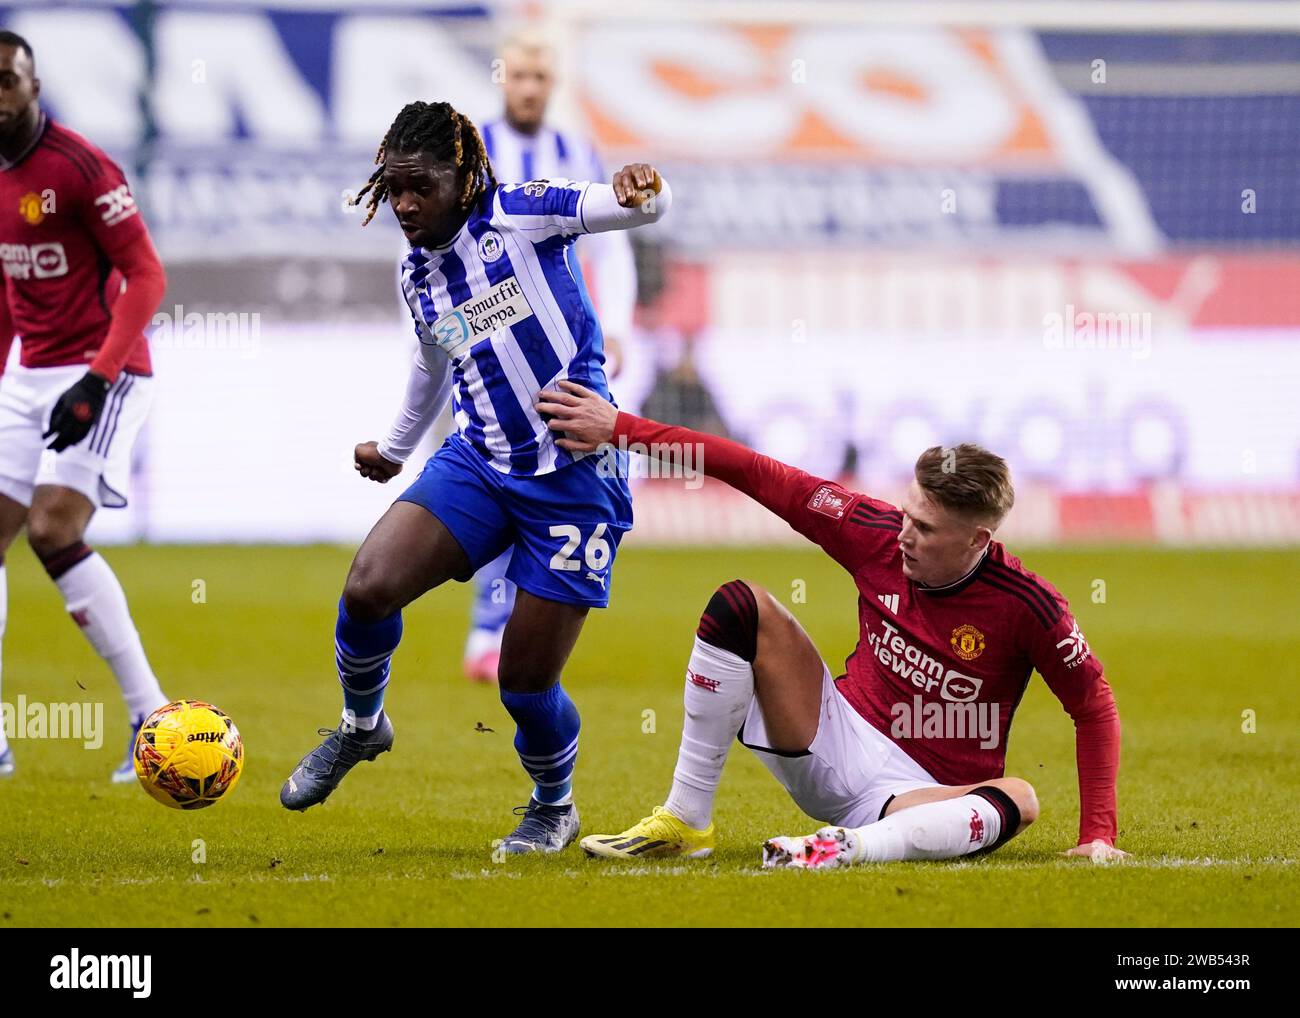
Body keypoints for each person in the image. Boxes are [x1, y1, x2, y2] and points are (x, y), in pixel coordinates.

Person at [280, 100, 671, 855]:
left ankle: (553, 806)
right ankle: (363, 727)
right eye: (391, 187)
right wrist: (395, 450)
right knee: (367, 587)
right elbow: (433, 365)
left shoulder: (524, 214)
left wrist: (641, 192)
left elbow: (629, 211)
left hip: (574, 480)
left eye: (418, 186)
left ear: (463, 179)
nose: (401, 204)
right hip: (481, 463)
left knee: (522, 686)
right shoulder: (417, 271)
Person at [534, 380, 1126, 868]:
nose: (905, 535)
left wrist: (1098, 832)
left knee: (1019, 799)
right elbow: (754, 470)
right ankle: (685, 820)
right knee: (741, 605)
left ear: (977, 539)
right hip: (833, 742)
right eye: (908, 512)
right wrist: (622, 429)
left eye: (926, 529)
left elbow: (1092, 704)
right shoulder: (874, 531)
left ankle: (843, 850)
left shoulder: (1030, 606)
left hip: (920, 797)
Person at [0, 30, 169, 780]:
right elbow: (8, 293)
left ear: (34, 86)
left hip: (107, 366)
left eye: (7, 79)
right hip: (30, 372)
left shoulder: (79, 167)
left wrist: (97, 378)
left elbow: (147, 277)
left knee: (51, 527)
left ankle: (151, 716)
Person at [460, 27, 638, 683]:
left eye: (541, 79)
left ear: (551, 85)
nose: (530, 89)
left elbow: (613, 243)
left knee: (564, 468)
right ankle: (486, 624)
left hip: (563, 340)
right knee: (492, 463)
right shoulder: (472, 146)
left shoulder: (576, 149)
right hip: (492, 329)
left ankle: (535, 621)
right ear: (503, 79)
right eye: (520, 77)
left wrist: (615, 323)